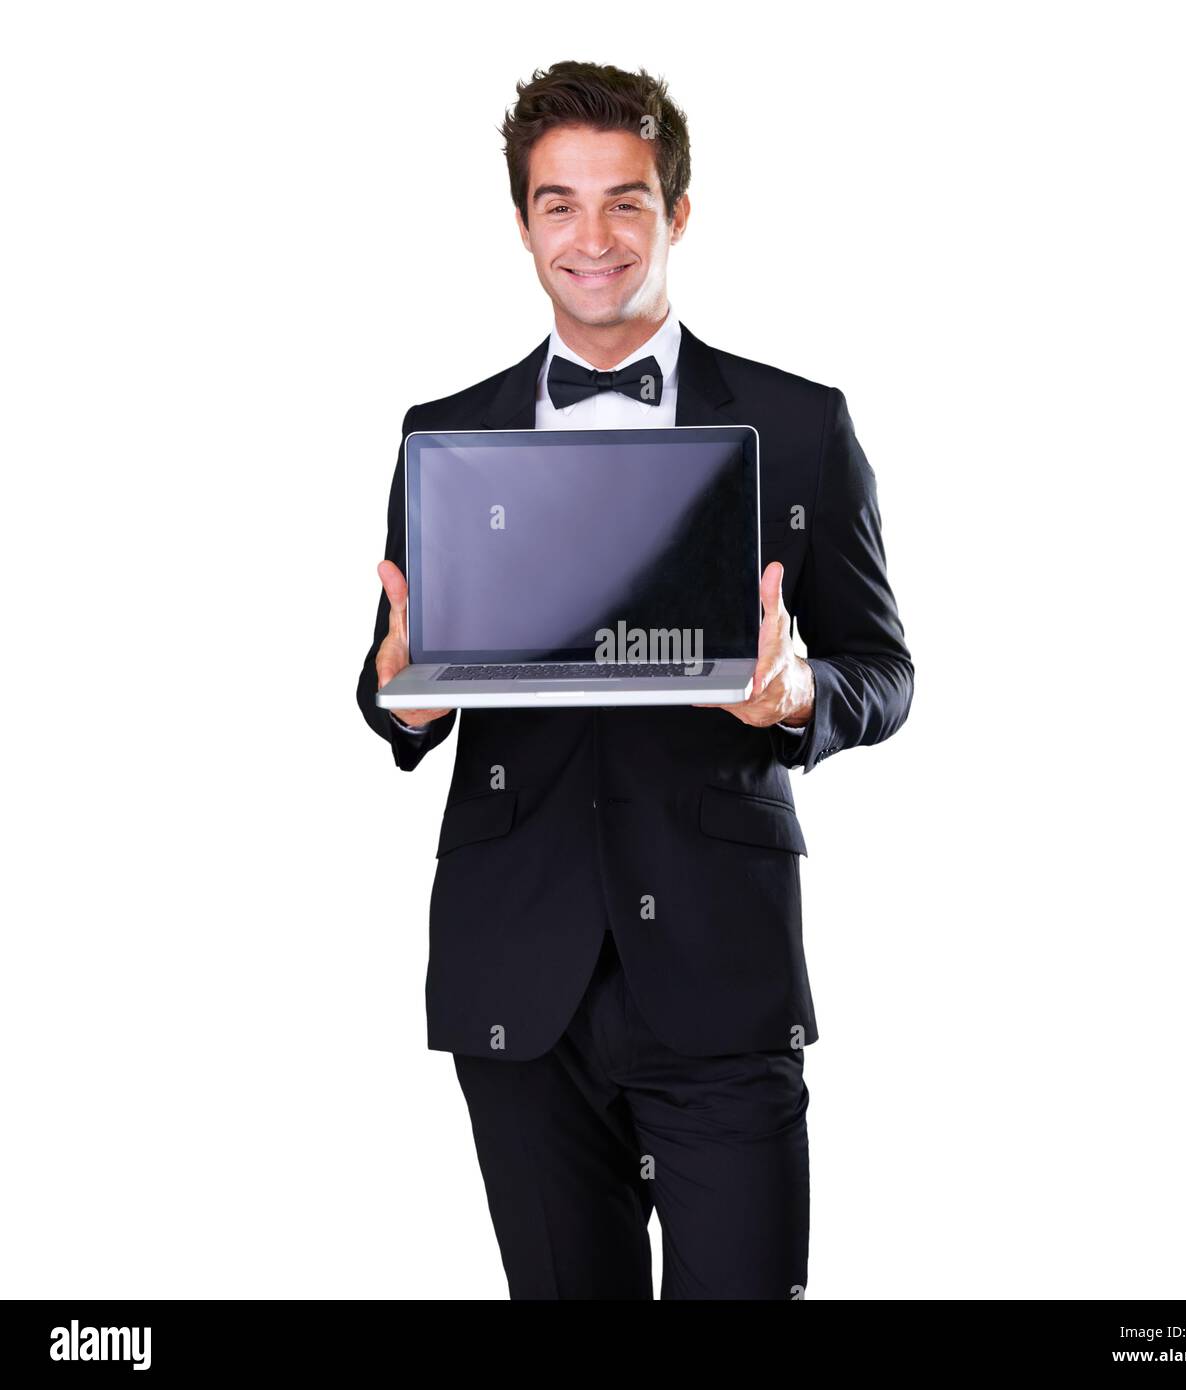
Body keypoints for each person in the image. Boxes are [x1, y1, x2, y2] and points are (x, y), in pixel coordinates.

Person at [356, 60, 913, 1300]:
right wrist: (408, 694)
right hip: (517, 974)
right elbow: (389, 681)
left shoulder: (801, 423)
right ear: (522, 224)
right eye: (559, 203)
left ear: (677, 213)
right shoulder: (446, 432)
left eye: (626, 201)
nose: (593, 237)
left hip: (720, 965)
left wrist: (799, 693)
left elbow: (884, 669)